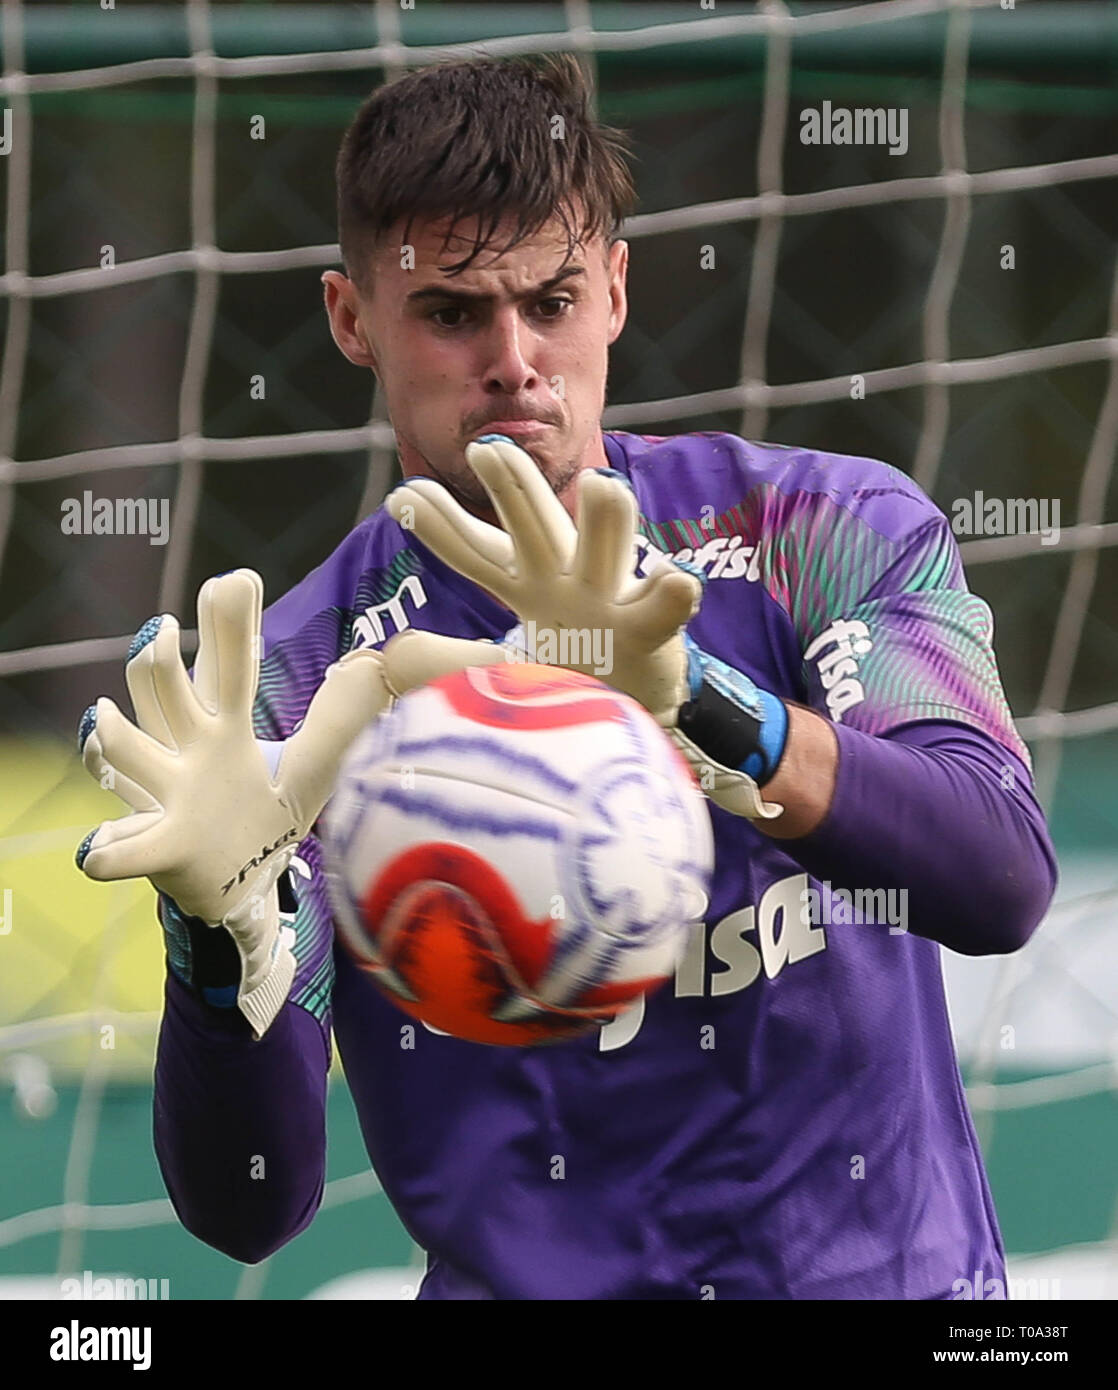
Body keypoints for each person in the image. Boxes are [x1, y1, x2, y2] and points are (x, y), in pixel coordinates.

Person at [77, 55, 1056, 1300]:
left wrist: (695, 701)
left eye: (550, 300)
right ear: (348, 318)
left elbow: (1000, 875)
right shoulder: (300, 686)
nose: (515, 359)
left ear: (616, 292)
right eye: (451, 313)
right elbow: (248, 1206)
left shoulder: (822, 524)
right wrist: (220, 948)